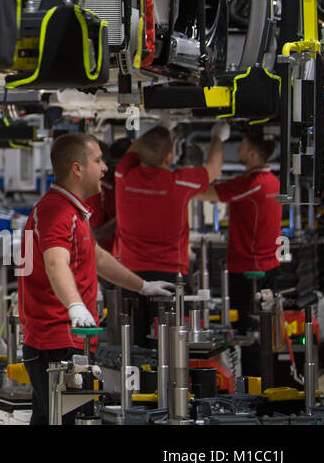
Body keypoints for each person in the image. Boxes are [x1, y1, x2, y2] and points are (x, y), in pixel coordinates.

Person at [18, 133, 173, 425]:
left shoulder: (73, 211)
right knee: (59, 420)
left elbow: (98, 258)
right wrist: (75, 306)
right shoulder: (56, 211)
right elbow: (55, 262)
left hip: (64, 338)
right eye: (98, 160)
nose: (105, 168)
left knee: (50, 419)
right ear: (77, 168)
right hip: (55, 342)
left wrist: (143, 286)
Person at [113, 121, 227, 342]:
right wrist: (218, 137)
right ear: (169, 157)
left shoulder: (124, 174)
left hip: (129, 275)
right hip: (170, 275)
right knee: (170, 345)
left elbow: (135, 150)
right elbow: (213, 169)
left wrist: (160, 126)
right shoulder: (180, 181)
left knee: (132, 345)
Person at [197, 128, 282, 337]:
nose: (238, 149)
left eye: (242, 145)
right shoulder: (273, 181)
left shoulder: (251, 184)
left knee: (246, 332)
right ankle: (261, 367)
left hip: (248, 270)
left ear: (252, 154)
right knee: (262, 329)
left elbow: (206, 193)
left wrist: (178, 184)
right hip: (267, 266)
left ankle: (252, 369)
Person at [86, 137, 130, 254]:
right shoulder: (94, 191)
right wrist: (127, 215)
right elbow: (98, 234)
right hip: (109, 258)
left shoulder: (116, 181)